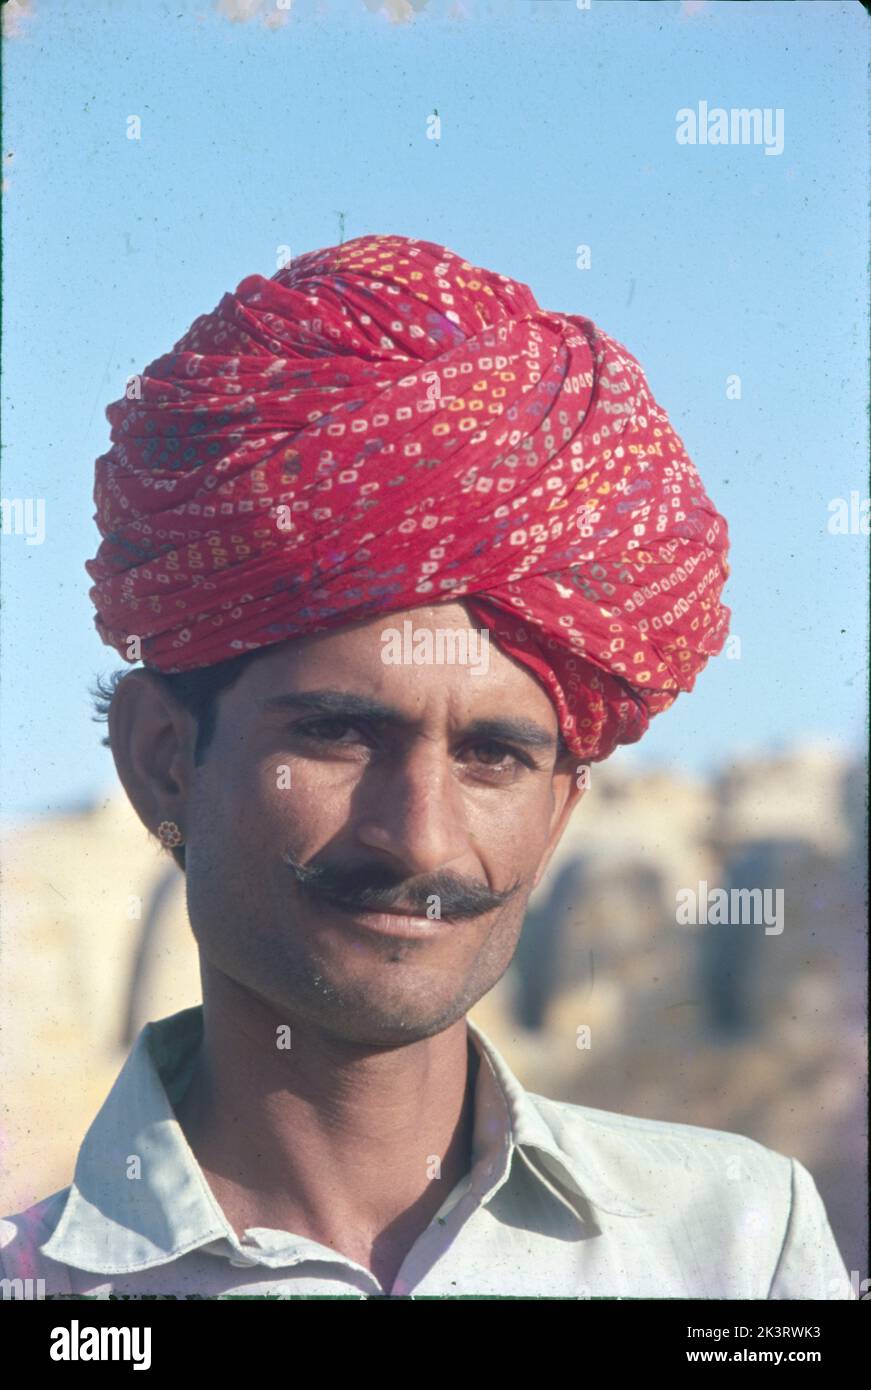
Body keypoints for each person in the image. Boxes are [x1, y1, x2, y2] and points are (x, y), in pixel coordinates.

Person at [0, 234, 852, 1299]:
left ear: (558, 808)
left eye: (494, 756)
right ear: (163, 761)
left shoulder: (735, 1246)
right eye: (338, 735)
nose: (420, 837)